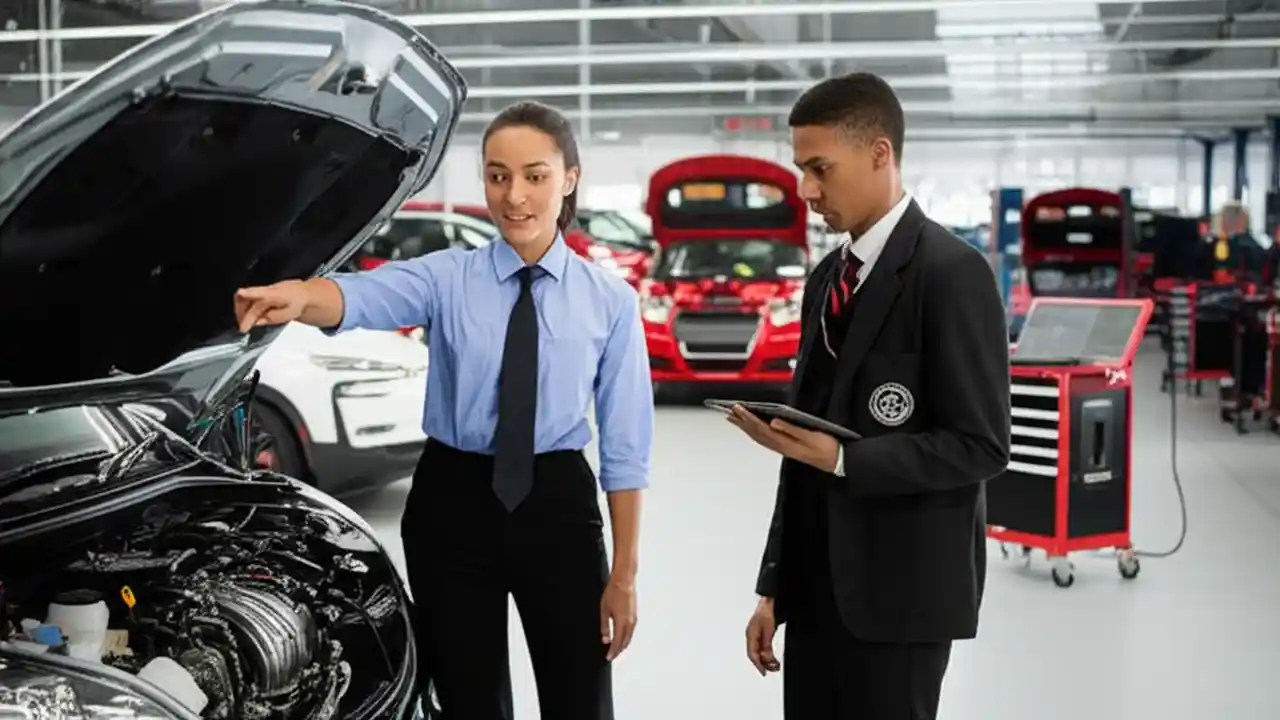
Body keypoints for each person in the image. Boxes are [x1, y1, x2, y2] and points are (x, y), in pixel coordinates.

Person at [232, 100, 653, 720]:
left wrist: (623, 578)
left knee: (579, 698)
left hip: (557, 508)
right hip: (453, 505)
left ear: (569, 179)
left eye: (535, 175)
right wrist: (294, 295)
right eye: (497, 175)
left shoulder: (610, 303)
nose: (515, 196)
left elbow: (625, 451)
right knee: (466, 699)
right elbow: (357, 296)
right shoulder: (447, 277)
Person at [725, 72, 1011, 719]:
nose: (806, 190)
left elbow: (982, 445)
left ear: (880, 154)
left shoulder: (952, 274)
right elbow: (801, 451)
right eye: (800, 169)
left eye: (819, 168)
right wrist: (774, 587)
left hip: (900, 601)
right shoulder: (828, 279)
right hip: (818, 594)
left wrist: (847, 458)